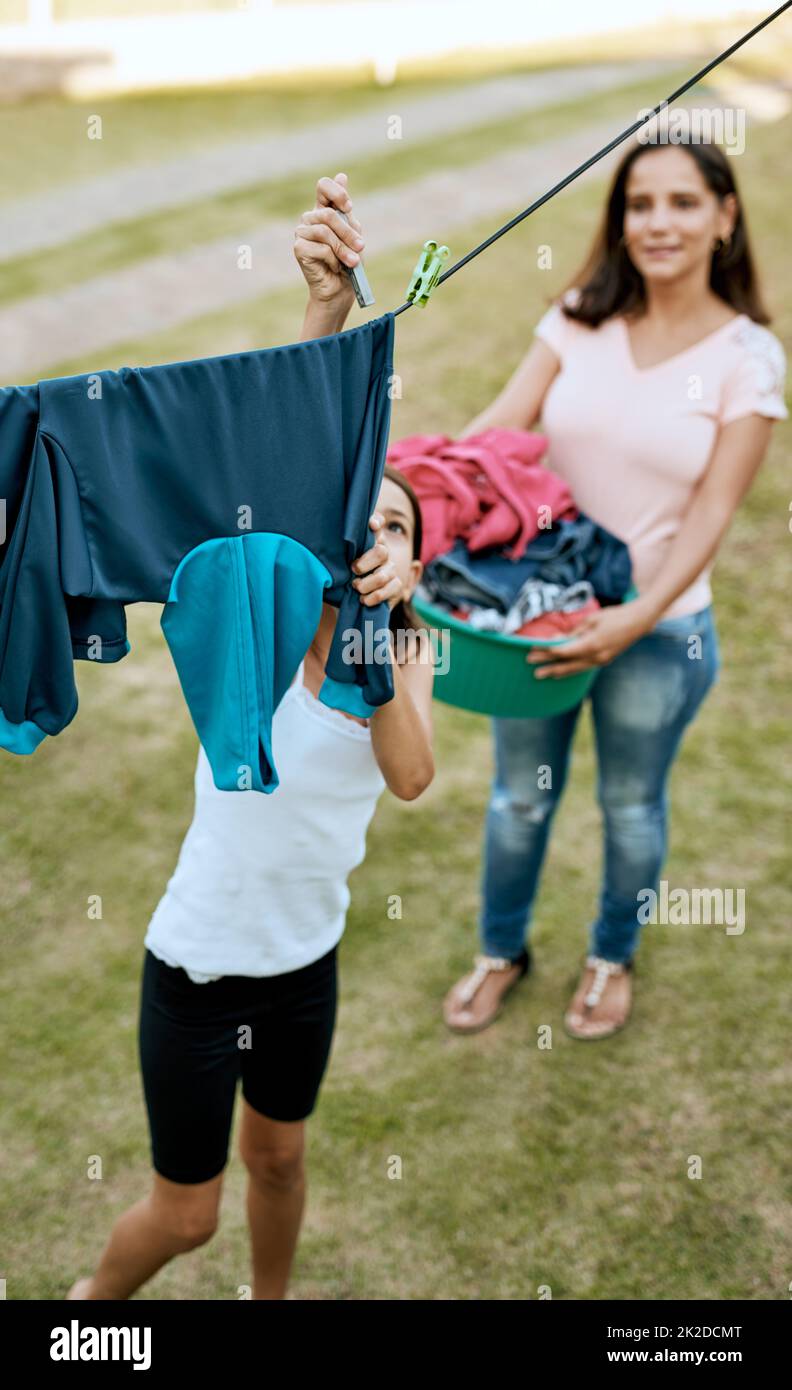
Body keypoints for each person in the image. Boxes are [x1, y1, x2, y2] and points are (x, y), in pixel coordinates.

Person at [66, 174, 433, 1300]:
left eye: (398, 525)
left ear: (416, 556)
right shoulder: (256, 619)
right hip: (200, 969)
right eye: (360, 508)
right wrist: (322, 312)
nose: (371, 525)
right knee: (187, 1217)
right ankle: (79, 1317)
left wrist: (381, 625)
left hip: (302, 966)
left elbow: (411, 776)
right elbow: (272, 465)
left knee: (281, 1158)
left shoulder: (405, 654)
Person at [440, 136, 787, 1038]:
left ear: (725, 216)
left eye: (681, 202)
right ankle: (500, 952)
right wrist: (414, 492)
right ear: (620, 219)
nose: (658, 222)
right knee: (520, 797)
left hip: (661, 631)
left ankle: (609, 958)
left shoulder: (748, 358)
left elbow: (713, 513)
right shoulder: (576, 319)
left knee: (631, 803)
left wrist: (633, 619)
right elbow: (489, 440)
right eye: (640, 204)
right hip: (536, 622)